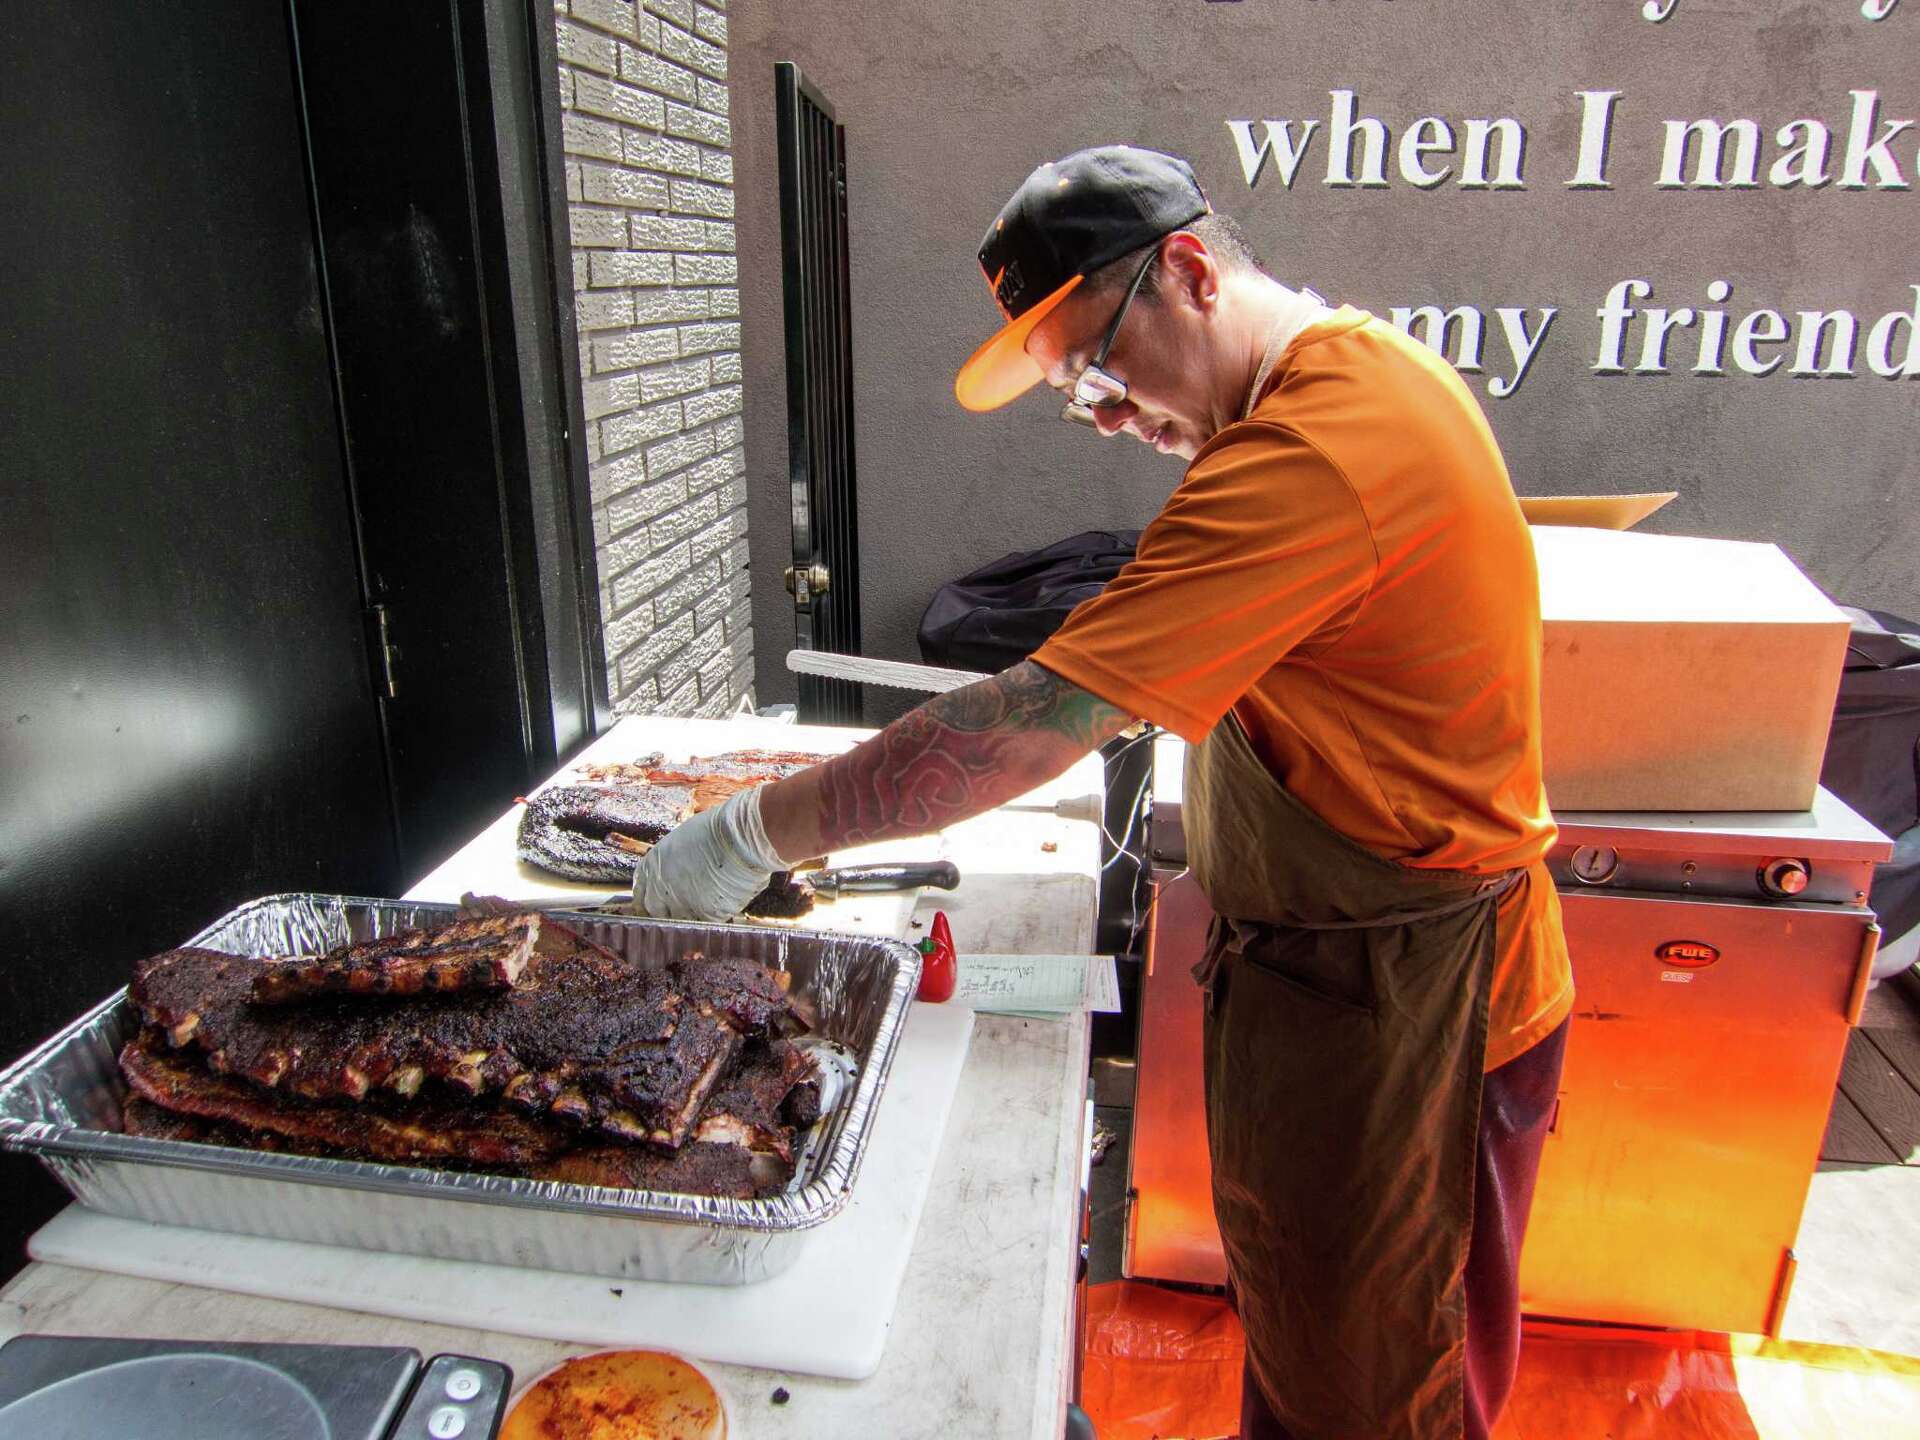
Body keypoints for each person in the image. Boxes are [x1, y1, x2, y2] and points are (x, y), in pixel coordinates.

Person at [629, 144, 1573, 1440]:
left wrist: (744, 834)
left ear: (1189, 270)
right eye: (1076, 392)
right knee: (1316, 1345)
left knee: (1379, 1401)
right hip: (1340, 987)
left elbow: (1025, 729)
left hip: (1423, 1018)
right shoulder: (1317, 395)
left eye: (1096, 364)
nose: (1103, 411)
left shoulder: (1323, 443)